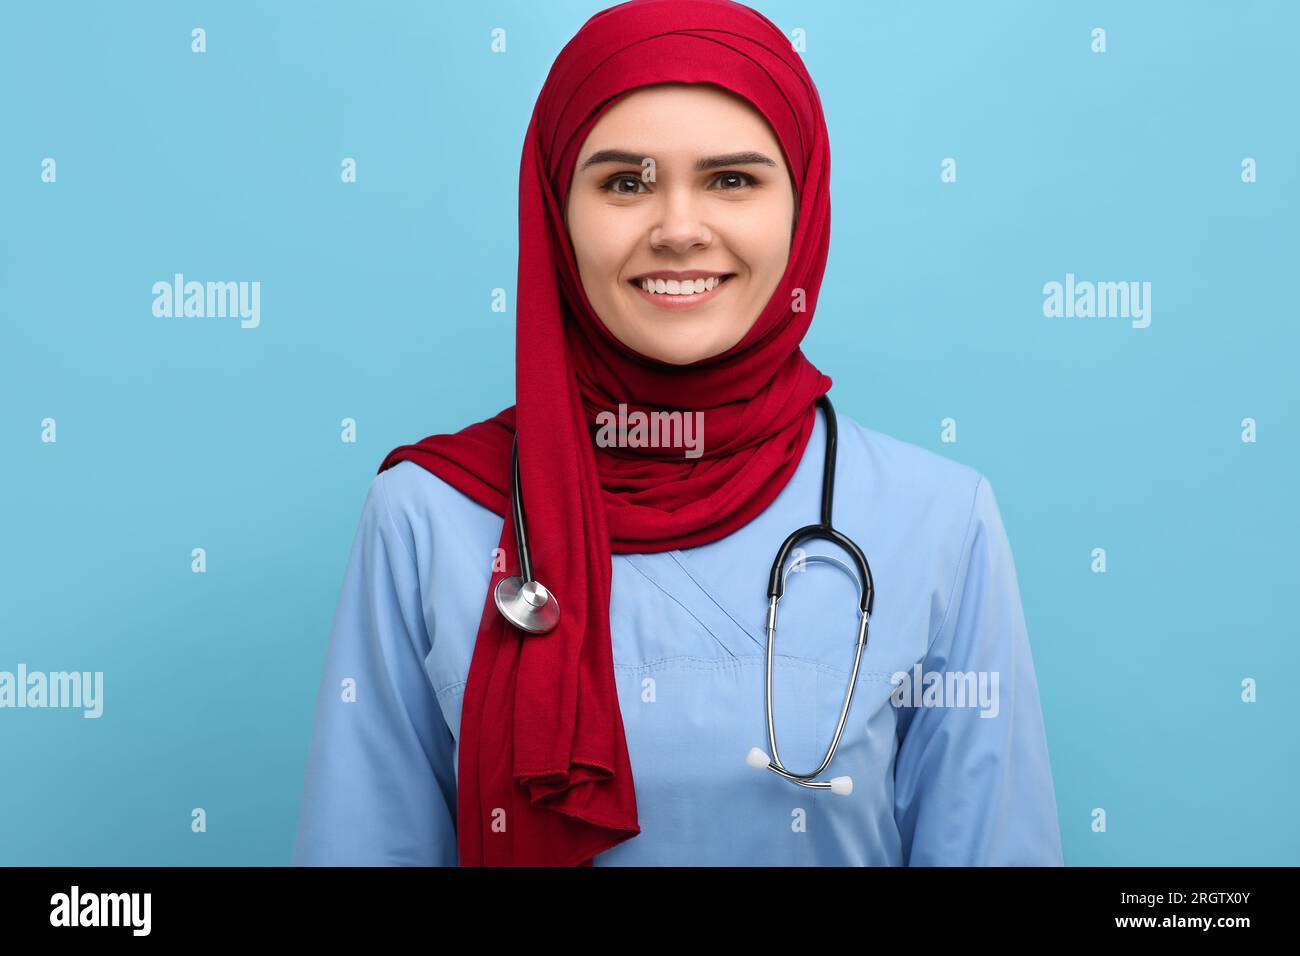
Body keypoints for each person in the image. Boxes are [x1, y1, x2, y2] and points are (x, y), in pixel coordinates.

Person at [292, 0, 1063, 867]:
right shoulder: (426, 515)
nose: (679, 229)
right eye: (625, 182)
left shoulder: (940, 520)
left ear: (803, 205)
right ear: (555, 208)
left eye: (733, 179)